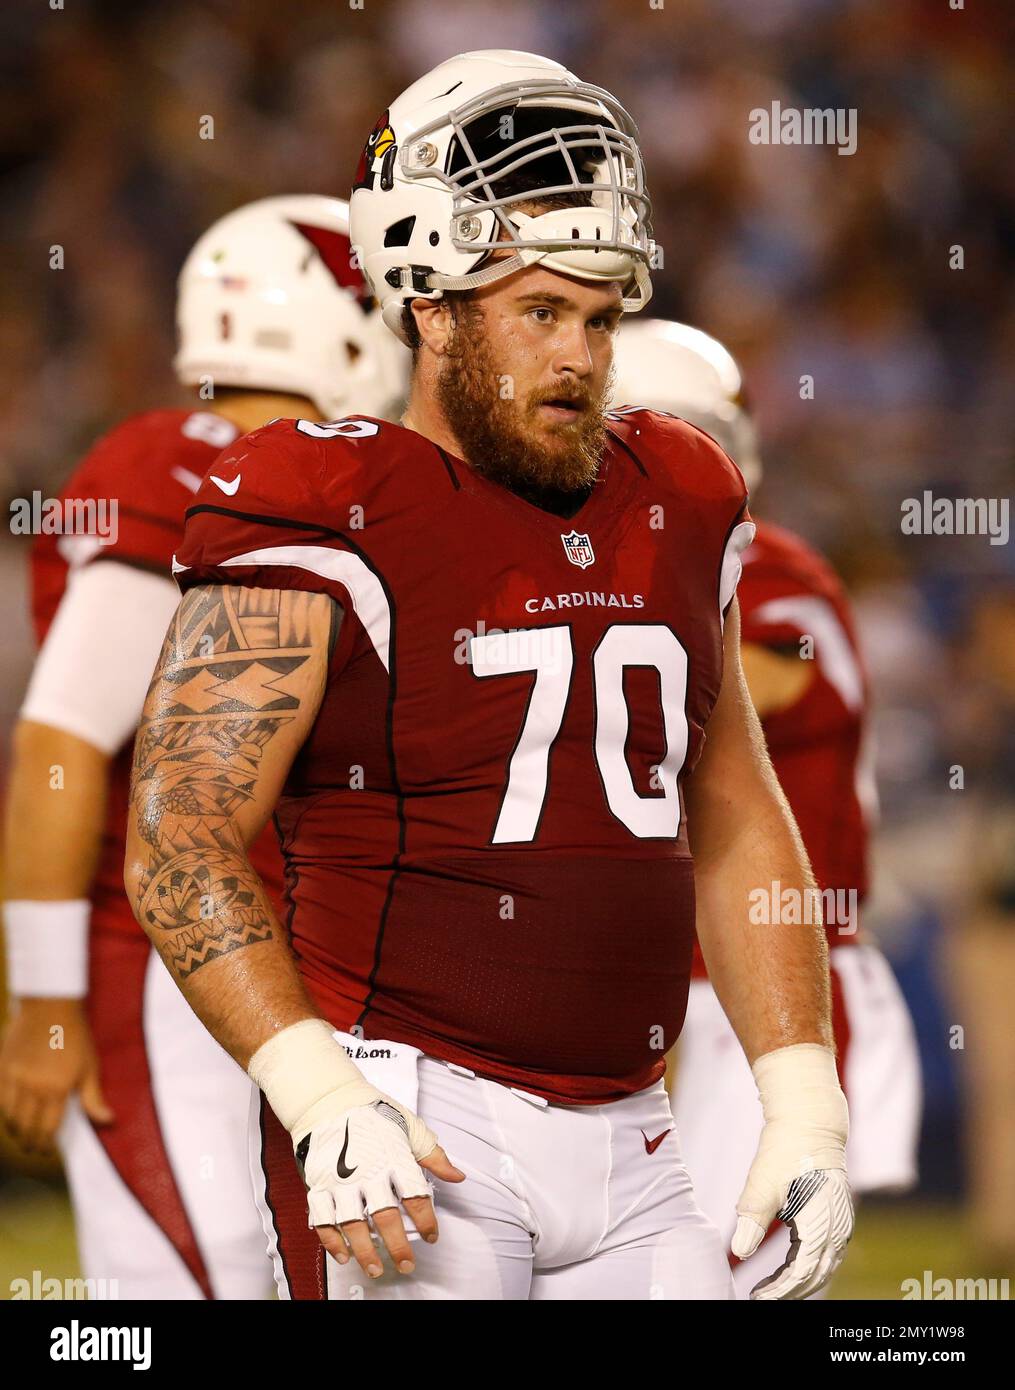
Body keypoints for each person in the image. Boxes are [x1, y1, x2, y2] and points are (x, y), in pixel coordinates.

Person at [125, 49, 853, 1302]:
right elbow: (178, 832)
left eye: (600, 316)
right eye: (538, 312)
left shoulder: (677, 489)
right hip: (409, 1119)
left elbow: (732, 806)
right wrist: (316, 1094)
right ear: (429, 301)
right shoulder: (324, 498)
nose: (577, 357)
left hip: (638, 1133)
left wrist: (800, 1092)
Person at [1, 195, 400, 1299]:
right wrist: (45, 1001)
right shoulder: (179, 458)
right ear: (340, 319)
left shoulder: (345, 486)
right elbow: (58, 742)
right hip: (160, 958)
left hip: (274, 958)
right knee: (201, 1274)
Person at [612, 317, 921, 1297]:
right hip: (679, 975)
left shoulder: (768, 569)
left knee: (729, 1272)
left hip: (768, 973)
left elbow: (754, 681)